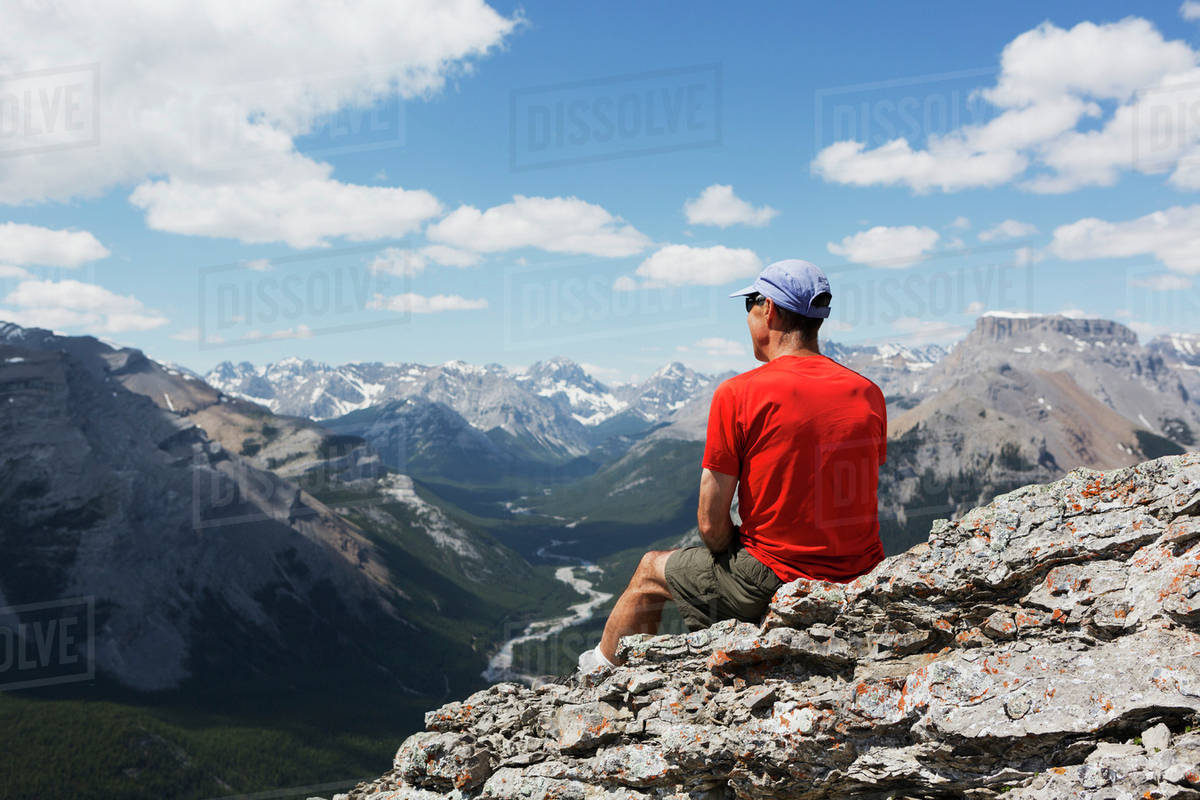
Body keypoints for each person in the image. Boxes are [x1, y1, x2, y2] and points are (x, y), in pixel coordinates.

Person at [576, 259, 887, 674]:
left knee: (651, 569)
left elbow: (710, 523)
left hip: (775, 577)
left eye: (749, 305)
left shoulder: (740, 393)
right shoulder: (868, 392)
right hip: (862, 575)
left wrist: (732, 554)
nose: (748, 317)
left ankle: (601, 676)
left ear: (769, 309)